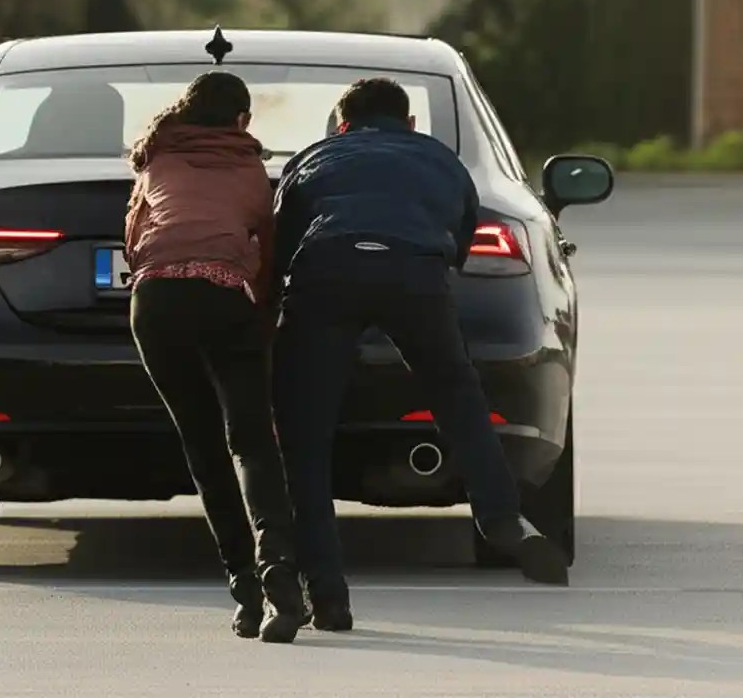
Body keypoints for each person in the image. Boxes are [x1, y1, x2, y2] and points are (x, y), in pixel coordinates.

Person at [270, 78, 570, 631]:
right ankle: (502, 518)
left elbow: (282, 246)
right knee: (458, 396)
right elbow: (457, 244)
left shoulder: (313, 159)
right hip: (415, 276)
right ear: (410, 124)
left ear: (341, 126)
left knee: (304, 440)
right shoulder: (441, 159)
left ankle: (327, 593)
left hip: (326, 273)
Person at [123, 71, 306, 643]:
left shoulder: (156, 159)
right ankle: (282, 588)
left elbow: (135, 241)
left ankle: (244, 596)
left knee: (202, 445)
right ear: (243, 122)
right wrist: (261, 316)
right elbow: (269, 261)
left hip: (155, 302)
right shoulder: (252, 170)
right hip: (226, 298)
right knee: (251, 442)